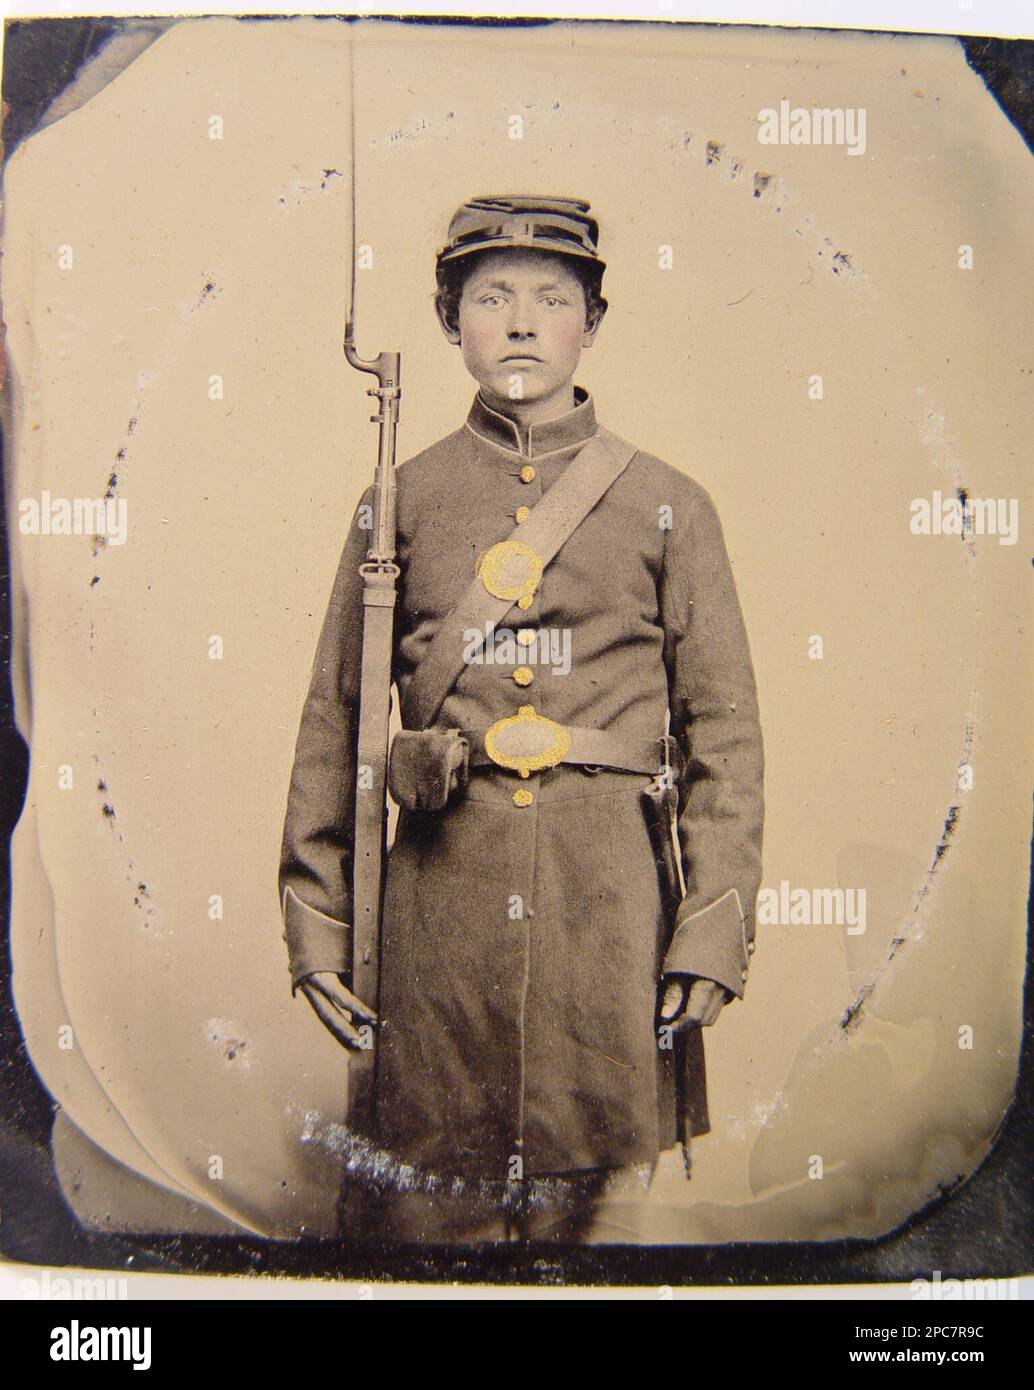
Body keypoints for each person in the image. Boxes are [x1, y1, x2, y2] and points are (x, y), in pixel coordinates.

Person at [279, 195, 764, 1242]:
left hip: (612, 924)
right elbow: (337, 722)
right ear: (450, 320)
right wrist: (317, 930)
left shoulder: (667, 504)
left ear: (592, 322)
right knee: (420, 1221)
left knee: (588, 1240)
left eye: (552, 299)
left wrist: (709, 937)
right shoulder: (396, 499)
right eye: (489, 296)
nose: (519, 323)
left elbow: (724, 737)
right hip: (437, 932)